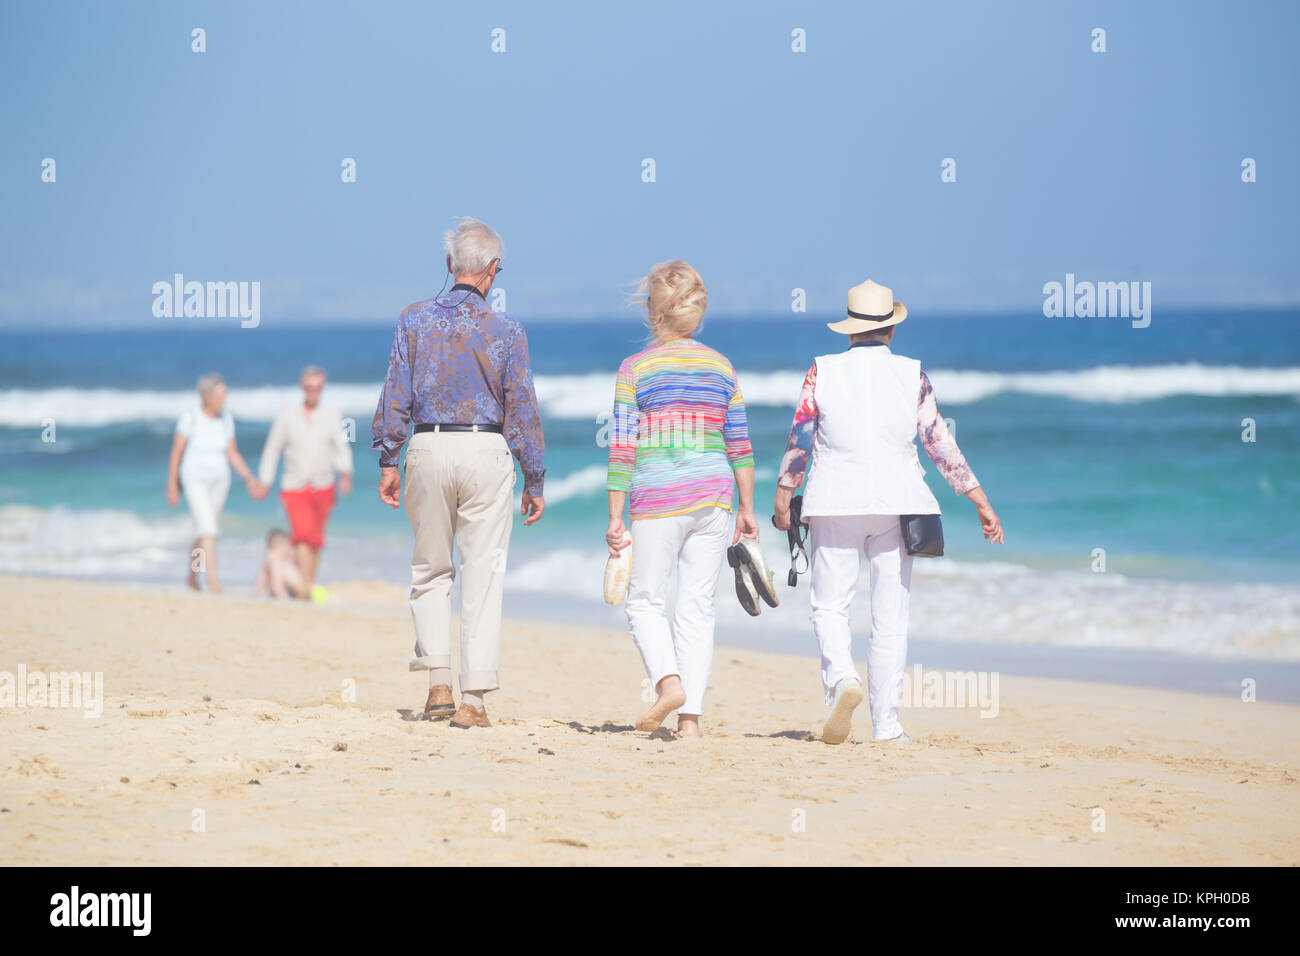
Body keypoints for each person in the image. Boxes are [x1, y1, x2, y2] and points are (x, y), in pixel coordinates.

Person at [773, 279, 1004, 745]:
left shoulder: (822, 371)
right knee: (890, 617)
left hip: (834, 499)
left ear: (849, 331)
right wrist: (979, 499)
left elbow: (801, 436)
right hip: (900, 504)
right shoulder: (913, 374)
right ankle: (887, 726)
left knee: (829, 605)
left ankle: (843, 680)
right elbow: (939, 443)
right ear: (891, 331)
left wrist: (784, 491)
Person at [372, 217, 547, 730]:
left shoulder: (413, 320)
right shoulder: (508, 331)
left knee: (429, 569)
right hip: (485, 448)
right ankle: (474, 698)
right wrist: (534, 477)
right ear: (493, 272)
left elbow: (394, 393)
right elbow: (522, 410)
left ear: (451, 265)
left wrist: (388, 457)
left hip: (426, 445)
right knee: (483, 574)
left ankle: (437, 686)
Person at [605, 260, 759, 738]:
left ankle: (668, 685)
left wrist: (615, 517)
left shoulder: (636, 369)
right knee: (697, 607)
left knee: (645, 603)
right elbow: (740, 445)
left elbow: (623, 445)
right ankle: (690, 721)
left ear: (654, 312)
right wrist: (748, 509)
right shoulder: (722, 367)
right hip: (715, 498)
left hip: (658, 498)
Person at [165, 372, 267, 593]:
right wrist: (172, 484)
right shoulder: (190, 418)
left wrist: (249, 478)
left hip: (220, 481)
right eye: (221, 394)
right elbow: (176, 452)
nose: (224, 399)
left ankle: (192, 577)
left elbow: (232, 453)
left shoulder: (225, 419)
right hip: (194, 479)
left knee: (203, 532)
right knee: (209, 530)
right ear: (206, 396)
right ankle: (213, 581)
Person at [257, 366, 354, 594]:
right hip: (294, 485)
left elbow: (341, 446)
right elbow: (273, 448)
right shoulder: (287, 414)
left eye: (318, 388)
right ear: (303, 387)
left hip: (324, 484)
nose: (313, 392)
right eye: (310, 387)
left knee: (316, 540)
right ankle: (306, 589)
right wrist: (265, 480)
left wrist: (345, 473)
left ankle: (306, 585)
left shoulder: (331, 413)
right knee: (301, 535)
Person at [254, 529, 306, 599]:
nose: (289, 550)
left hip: (298, 592)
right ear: (280, 546)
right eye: (288, 547)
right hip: (298, 592)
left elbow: (273, 585)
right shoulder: (275, 561)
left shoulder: (277, 562)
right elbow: (276, 584)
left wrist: (284, 598)